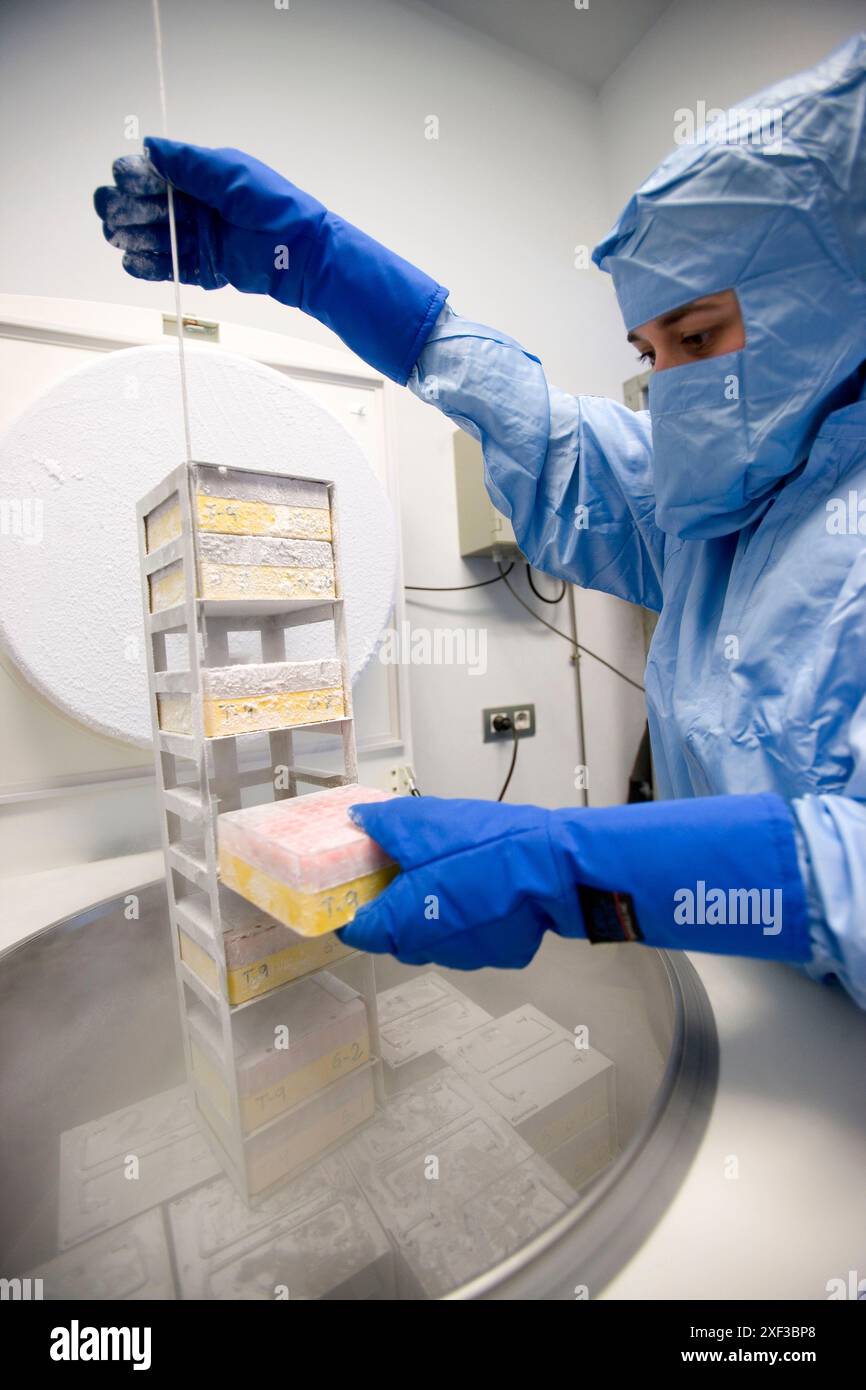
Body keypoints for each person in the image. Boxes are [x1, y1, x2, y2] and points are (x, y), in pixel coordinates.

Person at [94, 35, 866, 1004]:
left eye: (698, 335)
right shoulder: (717, 511)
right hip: (758, 1009)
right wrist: (323, 268)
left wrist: (569, 867)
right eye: (648, 347)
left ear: (825, 310)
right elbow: (552, 442)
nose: (666, 385)